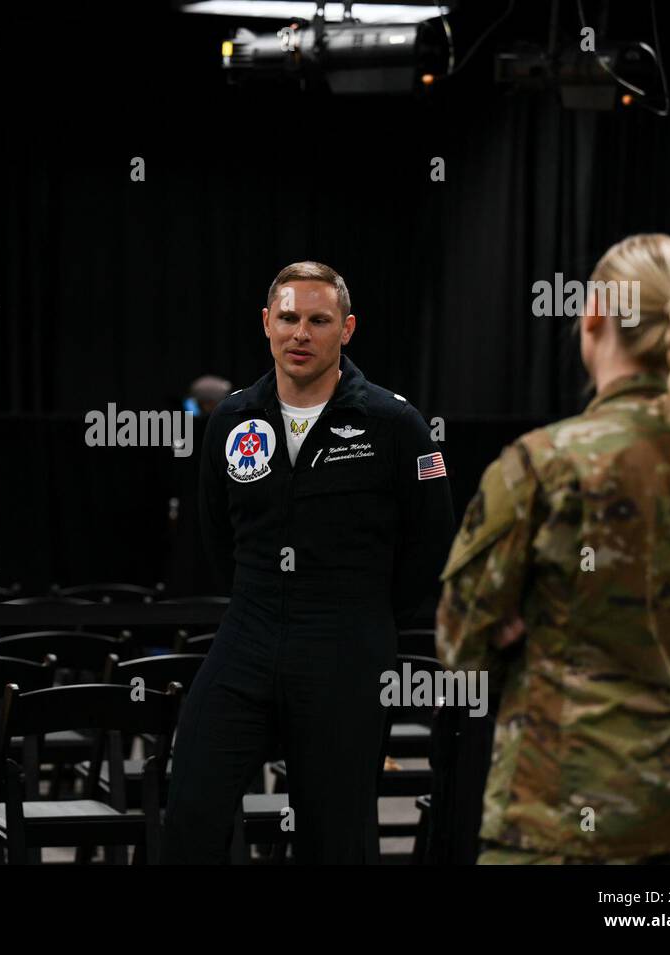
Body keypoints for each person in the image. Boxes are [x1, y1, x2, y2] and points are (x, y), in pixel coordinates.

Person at [437, 233, 670, 864]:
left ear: (592, 318)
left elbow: (461, 645)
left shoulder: (538, 467)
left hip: (556, 820)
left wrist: (531, 617)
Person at [162, 260, 455, 863]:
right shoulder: (232, 418)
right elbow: (218, 534)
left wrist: (369, 615)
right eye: (289, 317)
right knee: (190, 810)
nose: (301, 333)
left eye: (318, 320)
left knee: (337, 838)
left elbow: (430, 544)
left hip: (346, 643)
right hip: (248, 632)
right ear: (266, 323)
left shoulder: (395, 424)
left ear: (346, 329)